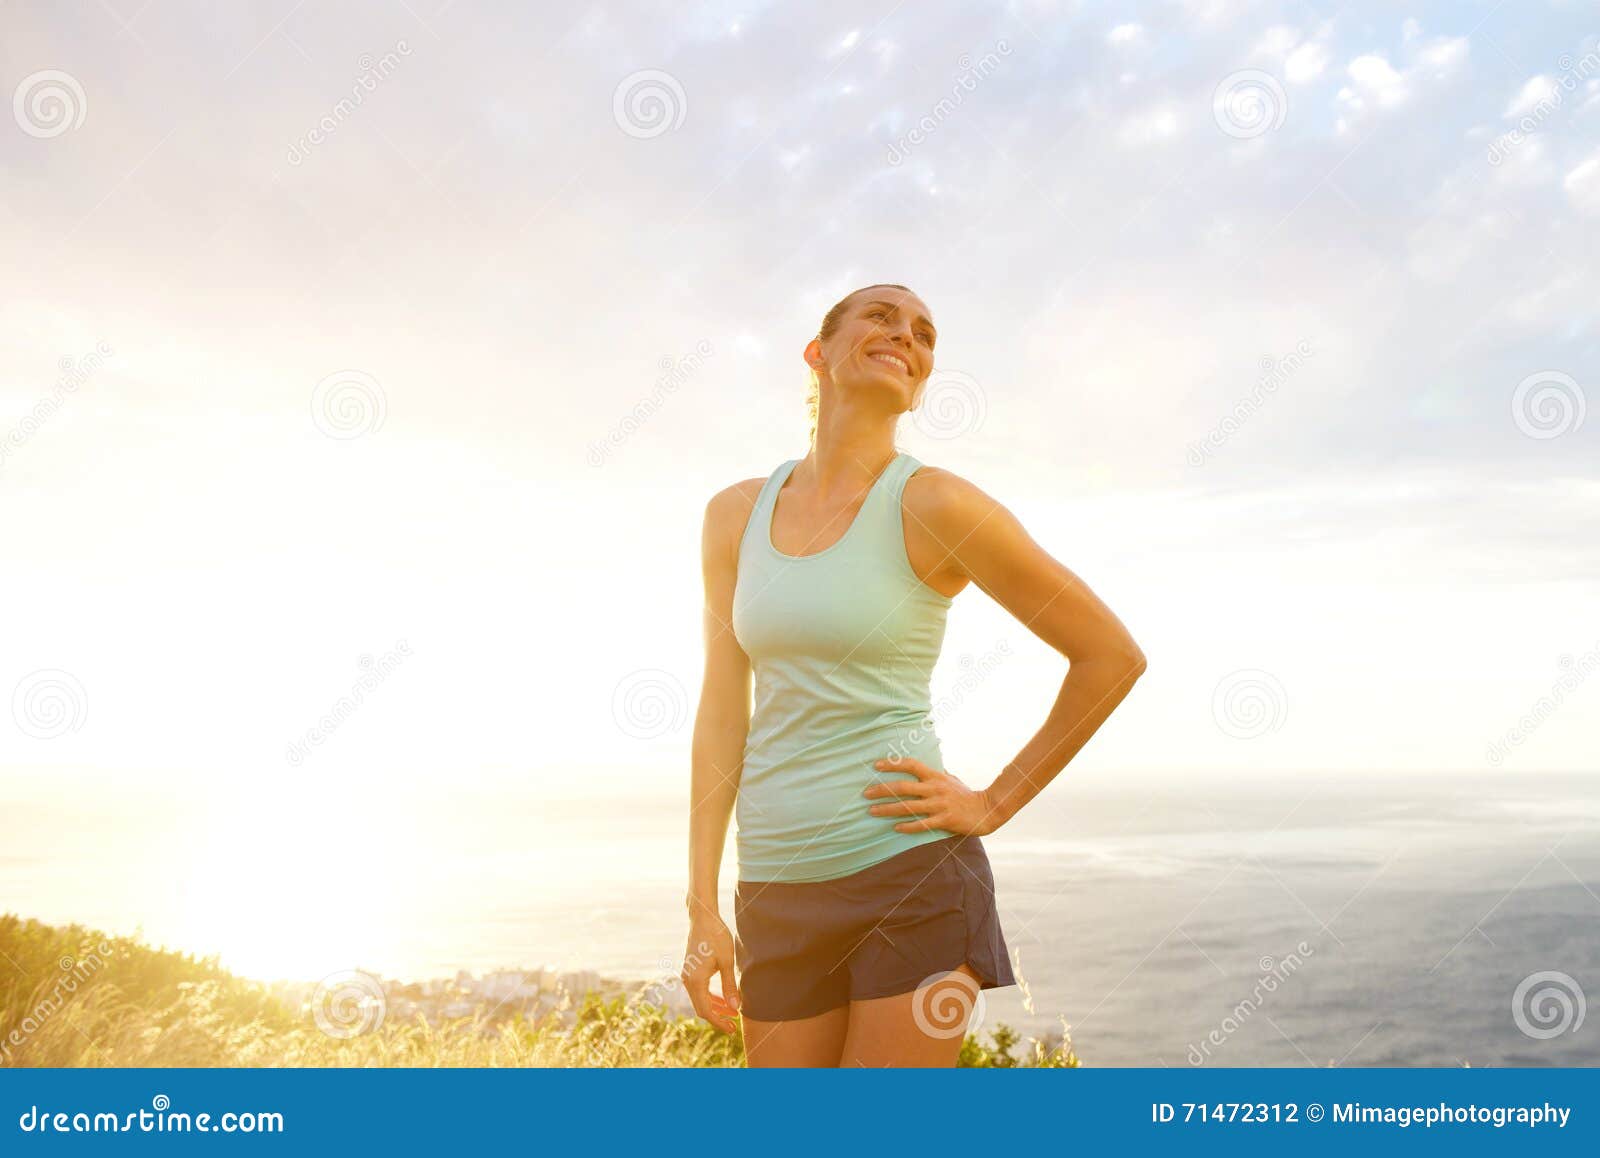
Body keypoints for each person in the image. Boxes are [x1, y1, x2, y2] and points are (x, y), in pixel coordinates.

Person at [683, 284, 1147, 1067]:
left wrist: (995, 800)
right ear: (818, 352)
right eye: (881, 316)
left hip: (909, 879)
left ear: (921, 380)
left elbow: (1110, 655)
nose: (907, 334)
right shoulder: (733, 516)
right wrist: (702, 903)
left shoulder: (935, 505)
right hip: (775, 889)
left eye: (925, 334)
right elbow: (722, 709)